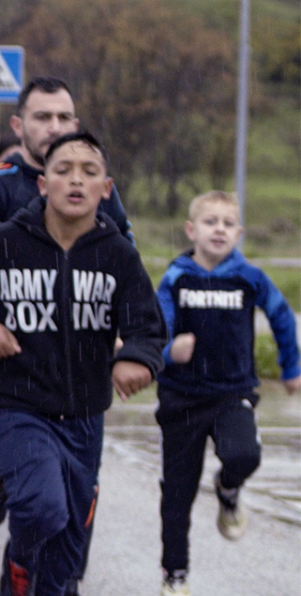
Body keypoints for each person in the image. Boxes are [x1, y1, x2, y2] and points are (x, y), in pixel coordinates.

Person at [0, 131, 165, 596]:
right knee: (41, 507)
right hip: (12, 403)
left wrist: (136, 359)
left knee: (67, 555)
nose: (76, 180)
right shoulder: (7, 242)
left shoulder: (118, 256)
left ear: (105, 190)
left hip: (83, 413)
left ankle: (28, 577)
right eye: (63, 170)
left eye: (89, 172)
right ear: (43, 185)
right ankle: (19, 559)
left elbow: (148, 328)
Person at [154, 190, 300, 595]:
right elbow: (154, 327)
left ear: (238, 232)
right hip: (180, 397)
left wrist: (292, 369)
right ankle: (175, 576)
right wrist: (169, 350)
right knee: (177, 495)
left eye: (227, 223)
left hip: (231, 392)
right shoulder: (176, 276)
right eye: (209, 221)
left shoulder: (249, 277)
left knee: (244, 454)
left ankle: (228, 488)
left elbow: (283, 317)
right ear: (191, 229)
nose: (218, 229)